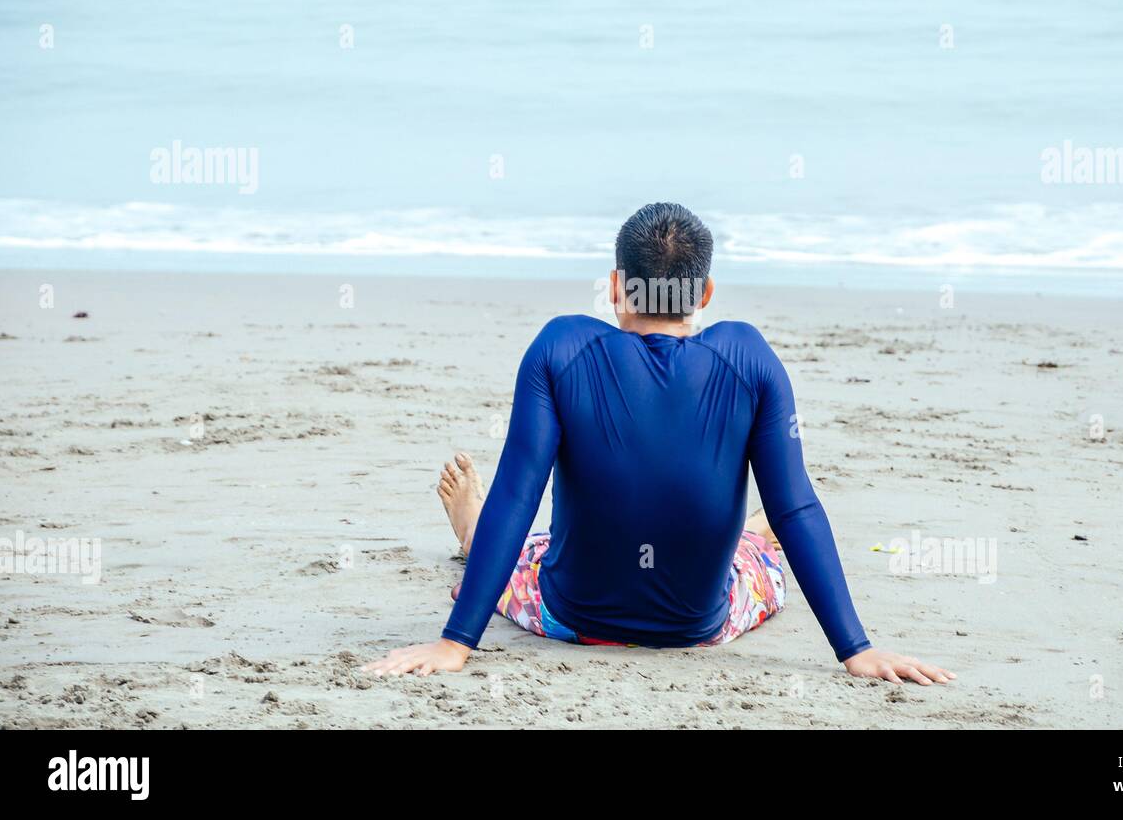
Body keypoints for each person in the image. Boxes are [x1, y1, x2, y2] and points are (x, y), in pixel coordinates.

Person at [364, 203, 953, 685]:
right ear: (706, 292)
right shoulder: (749, 355)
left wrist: (455, 642)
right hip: (701, 625)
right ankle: (751, 540)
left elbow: (517, 497)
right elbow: (797, 506)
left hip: (568, 615)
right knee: (764, 552)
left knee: (528, 546)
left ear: (617, 288)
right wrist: (857, 650)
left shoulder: (561, 346)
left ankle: (471, 536)